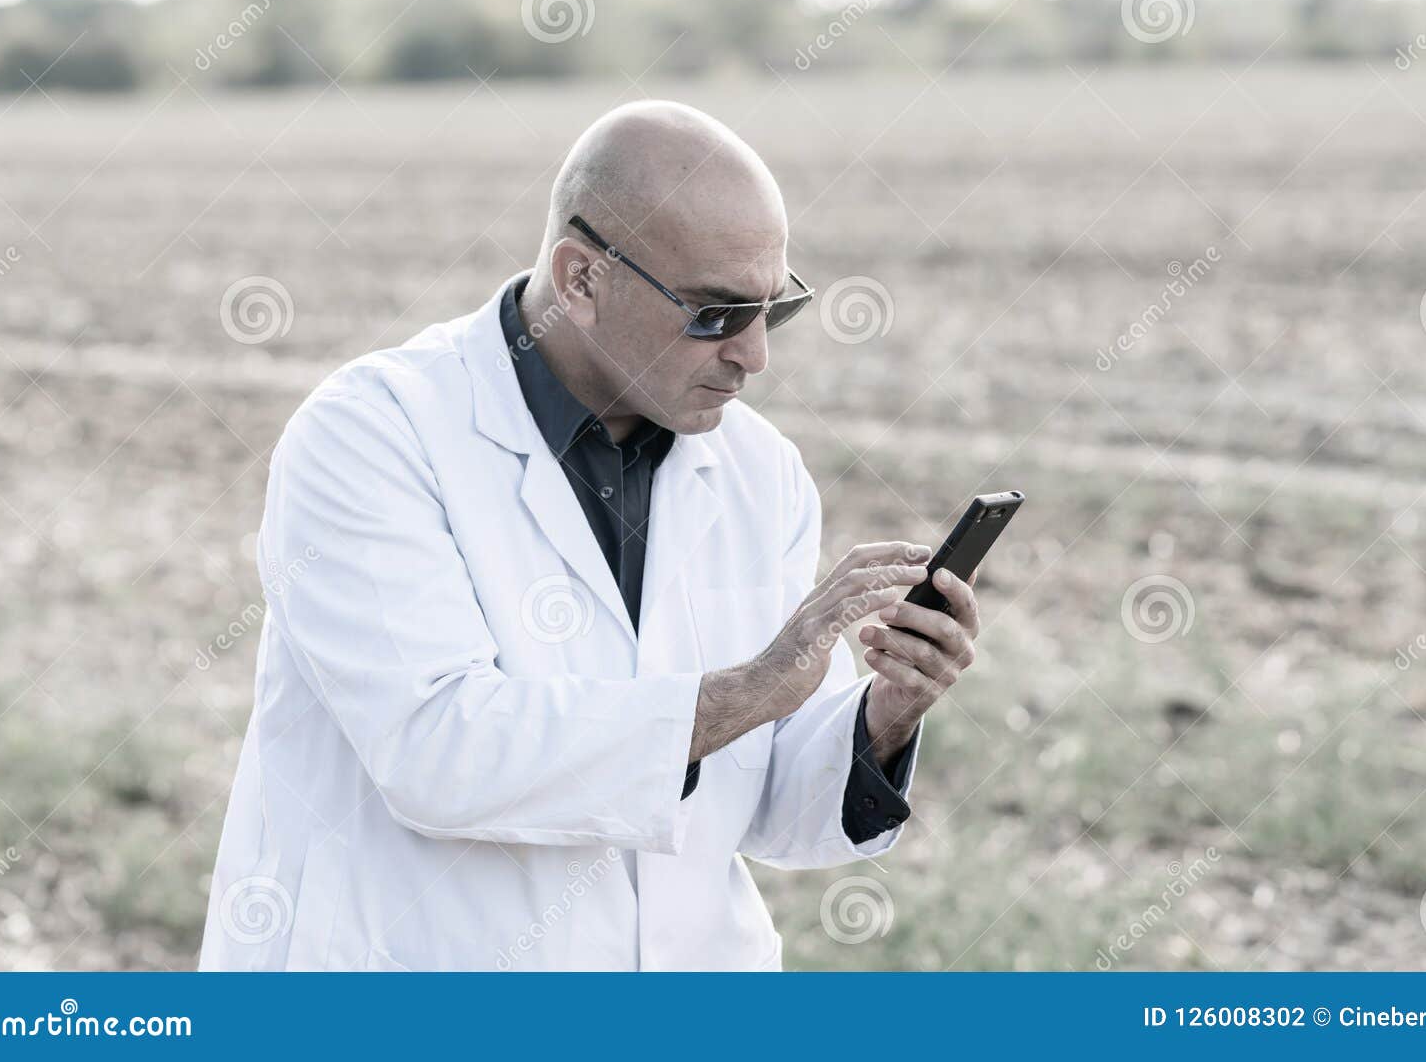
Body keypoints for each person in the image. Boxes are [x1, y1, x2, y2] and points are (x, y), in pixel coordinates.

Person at [199, 100, 981, 970]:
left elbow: (766, 808)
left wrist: (884, 715)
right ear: (580, 280)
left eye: (775, 309)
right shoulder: (371, 435)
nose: (754, 355)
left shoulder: (762, 471)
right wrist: (758, 687)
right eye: (717, 315)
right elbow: (437, 750)